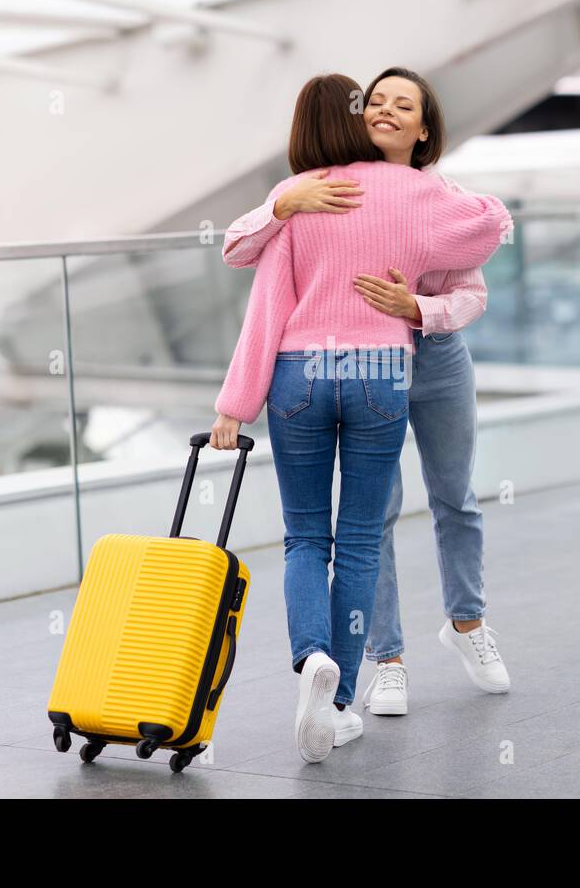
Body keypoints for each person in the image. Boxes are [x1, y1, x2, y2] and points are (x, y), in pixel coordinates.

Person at [209, 73, 510, 763]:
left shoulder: (306, 193)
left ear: (424, 127)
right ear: (355, 116)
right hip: (382, 370)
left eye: (403, 105)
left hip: (309, 371)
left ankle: (319, 659)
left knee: (306, 537)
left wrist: (235, 405)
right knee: (363, 538)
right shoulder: (417, 195)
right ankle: (353, 688)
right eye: (375, 102)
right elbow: (493, 224)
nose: (385, 111)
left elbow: (263, 304)